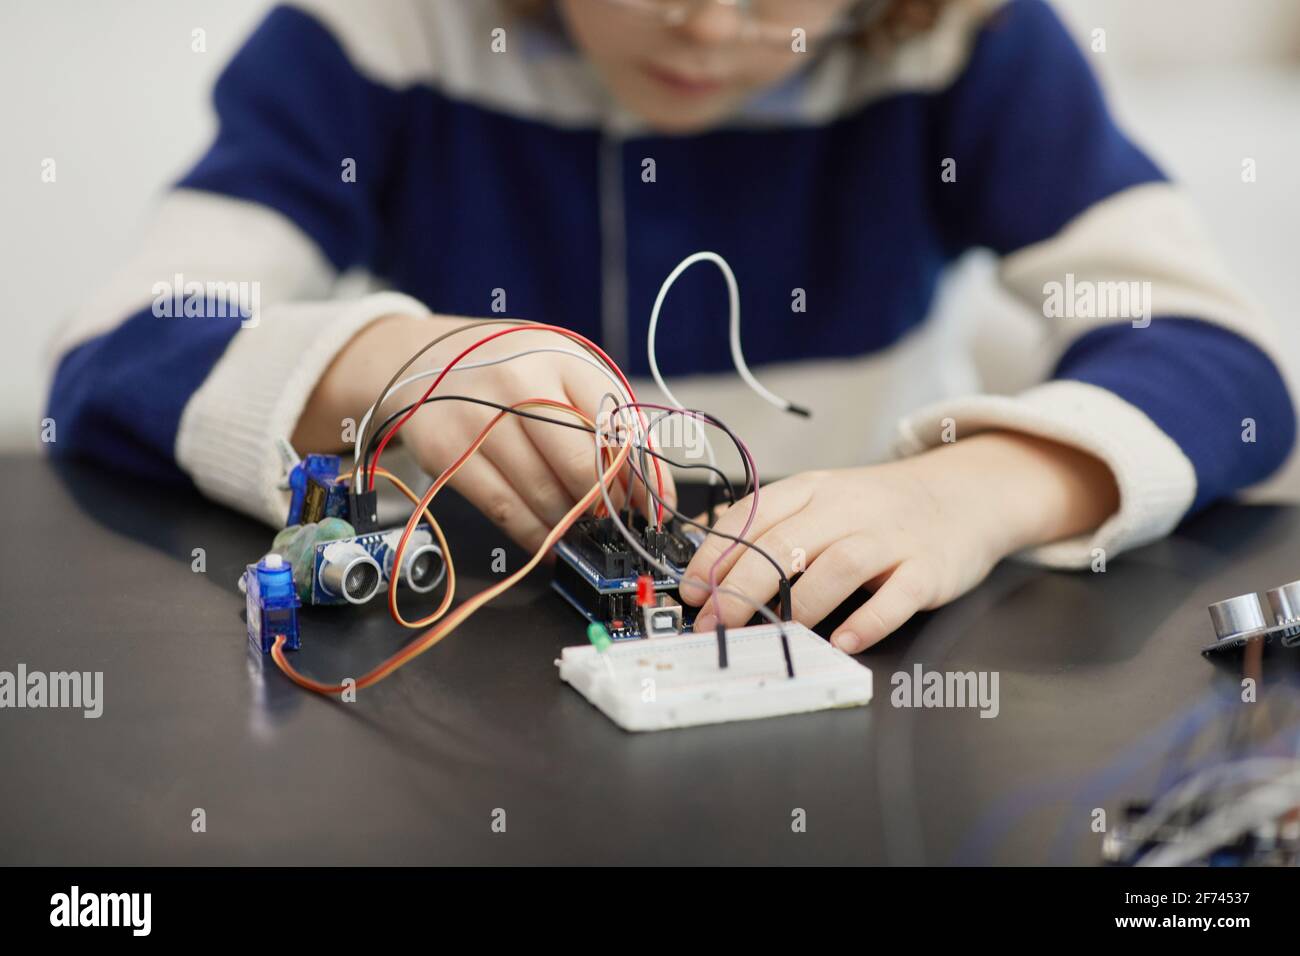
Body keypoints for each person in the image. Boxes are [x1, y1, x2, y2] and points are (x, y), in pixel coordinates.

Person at [46, 0, 1295, 652]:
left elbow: (1226, 362)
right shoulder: (374, 36)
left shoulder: (976, 47)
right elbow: (116, 354)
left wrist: (976, 491)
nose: (708, 25)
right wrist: (385, 365)